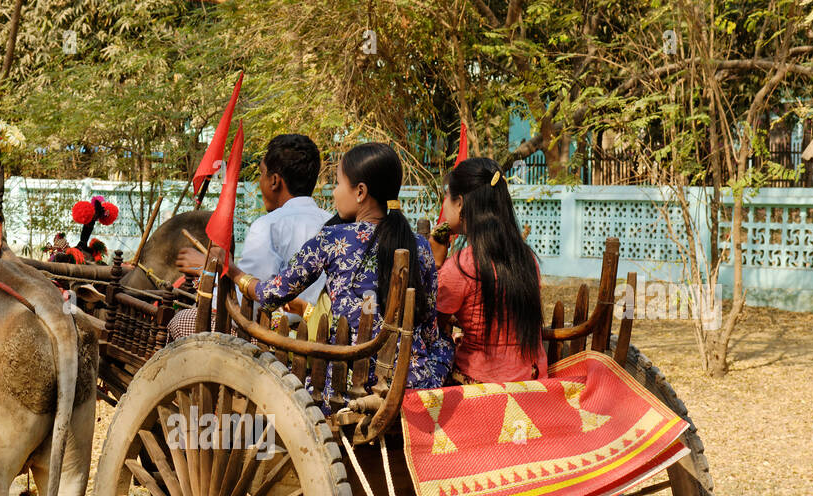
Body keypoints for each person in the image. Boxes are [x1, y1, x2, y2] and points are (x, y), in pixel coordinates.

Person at [229, 141, 453, 390]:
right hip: (415, 380)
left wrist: (235, 273)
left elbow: (270, 295)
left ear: (360, 192)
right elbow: (430, 330)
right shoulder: (421, 245)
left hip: (349, 383)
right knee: (445, 343)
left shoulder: (333, 239)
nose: (334, 192)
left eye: (338, 183)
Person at [170, 133, 331, 339]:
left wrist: (208, 272)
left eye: (262, 174)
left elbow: (247, 303)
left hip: (275, 339)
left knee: (182, 320)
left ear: (274, 181)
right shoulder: (333, 223)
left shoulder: (268, 225)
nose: (260, 182)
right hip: (321, 336)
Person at [432, 157, 547, 384]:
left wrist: (436, 263)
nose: (444, 204)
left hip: (481, 385)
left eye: (447, 196)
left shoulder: (461, 265)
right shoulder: (526, 257)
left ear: (461, 203)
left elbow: (430, 323)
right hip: (532, 380)